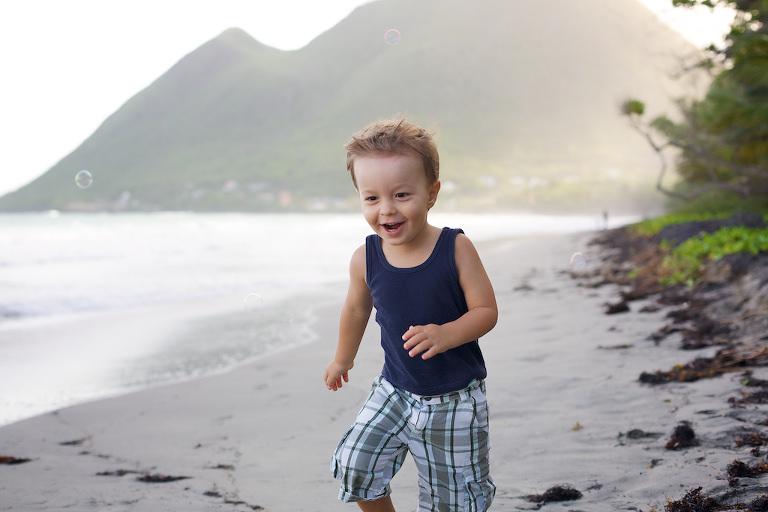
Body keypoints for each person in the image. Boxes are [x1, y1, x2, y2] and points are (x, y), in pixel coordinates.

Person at [323, 118, 498, 512]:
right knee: (356, 465)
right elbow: (355, 309)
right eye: (372, 199)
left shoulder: (455, 247)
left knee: (455, 501)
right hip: (394, 391)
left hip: (455, 401)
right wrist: (342, 358)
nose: (386, 209)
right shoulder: (365, 259)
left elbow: (486, 311)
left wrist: (448, 334)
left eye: (402, 194)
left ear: (431, 193)